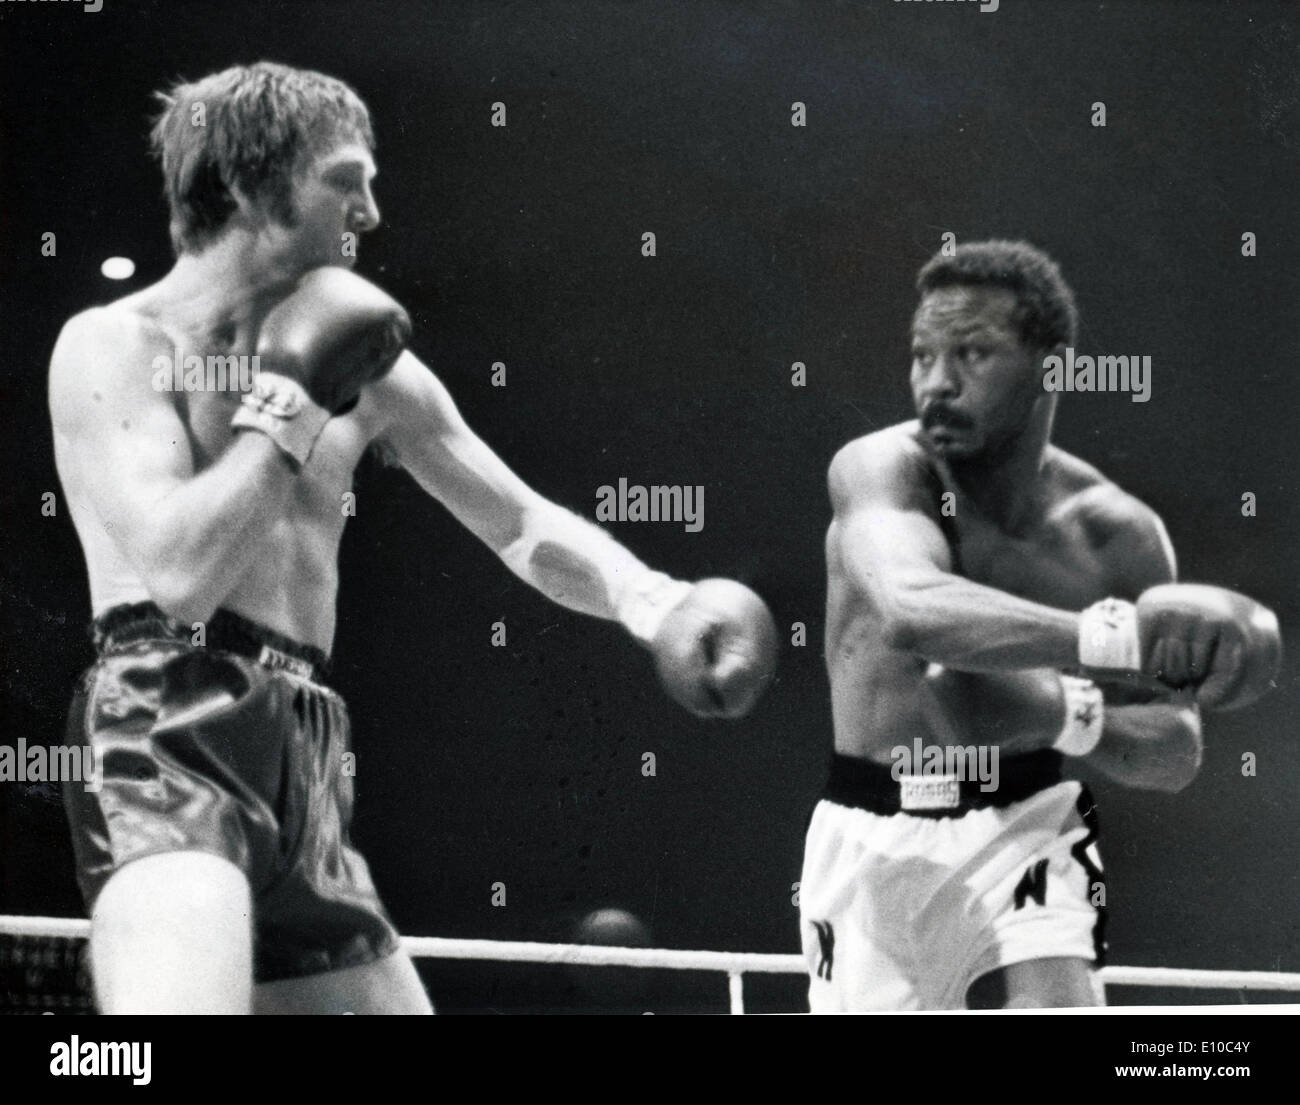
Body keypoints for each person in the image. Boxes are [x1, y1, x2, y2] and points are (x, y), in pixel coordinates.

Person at [48, 62, 777, 1014]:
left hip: (304, 744)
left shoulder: (376, 369)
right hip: (168, 724)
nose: (373, 212)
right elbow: (182, 575)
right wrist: (292, 402)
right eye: (345, 180)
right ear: (244, 186)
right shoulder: (114, 345)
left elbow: (518, 521)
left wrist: (655, 599)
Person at [800, 239, 1281, 1011]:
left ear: (1050, 369)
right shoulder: (883, 469)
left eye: (972, 354)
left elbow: (1176, 750)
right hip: (869, 835)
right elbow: (913, 609)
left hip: (1024, 822)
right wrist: (1116, 640)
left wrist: (1070, 712)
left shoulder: (1118, 534)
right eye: (922, 355)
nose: (936, 383)